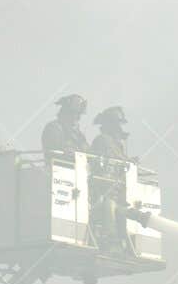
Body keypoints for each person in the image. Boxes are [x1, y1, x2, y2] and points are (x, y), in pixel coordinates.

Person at [89, 107, 132, 252]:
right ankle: (110, 238)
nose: (119, 127)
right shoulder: (102, 140)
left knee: (121, 207)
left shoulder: (117, 144)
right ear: (108, 125)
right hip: (101, 189)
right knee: (109, 204)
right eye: (116, 123)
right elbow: (103, 163)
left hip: (115, 188)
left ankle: (122, 240)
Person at [41, 94, 88, 158]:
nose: (78, 118)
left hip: (77, 167)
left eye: (79, 114)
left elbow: (87, 151)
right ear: (65, 112)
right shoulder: (53, 128)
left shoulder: (80, 135)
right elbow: (55, 152)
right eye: (74, 113)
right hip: (59, 166)